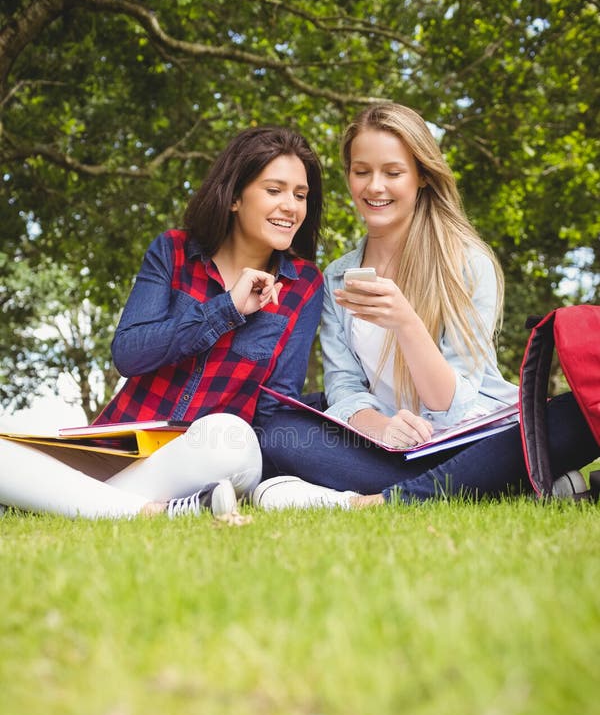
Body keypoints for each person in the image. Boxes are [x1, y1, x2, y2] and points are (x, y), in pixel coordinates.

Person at [253, 103, 599, 508]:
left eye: (393, 173)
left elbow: (452, 407)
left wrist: (406, 323)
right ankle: (499, 484)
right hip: (391, 448)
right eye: (361, 171)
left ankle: (379, 501)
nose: (374, 187)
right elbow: (344, 385)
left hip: (476, 436)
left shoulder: (467, 263)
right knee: (277, 431)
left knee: (573, 418)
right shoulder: (336, 276)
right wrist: (380, 427)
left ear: (421, 177)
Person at [0, 127, 324, 518]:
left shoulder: (304, 284)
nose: (291, 206)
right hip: (121, 451)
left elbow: (275, 407)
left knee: (232, 440)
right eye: (275, 190)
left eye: (300, 195)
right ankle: (152, 510)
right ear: (236, 196)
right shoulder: (172, 251)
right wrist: (228, 308)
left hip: (204, 458)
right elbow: (129, 355)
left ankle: (59, 500)